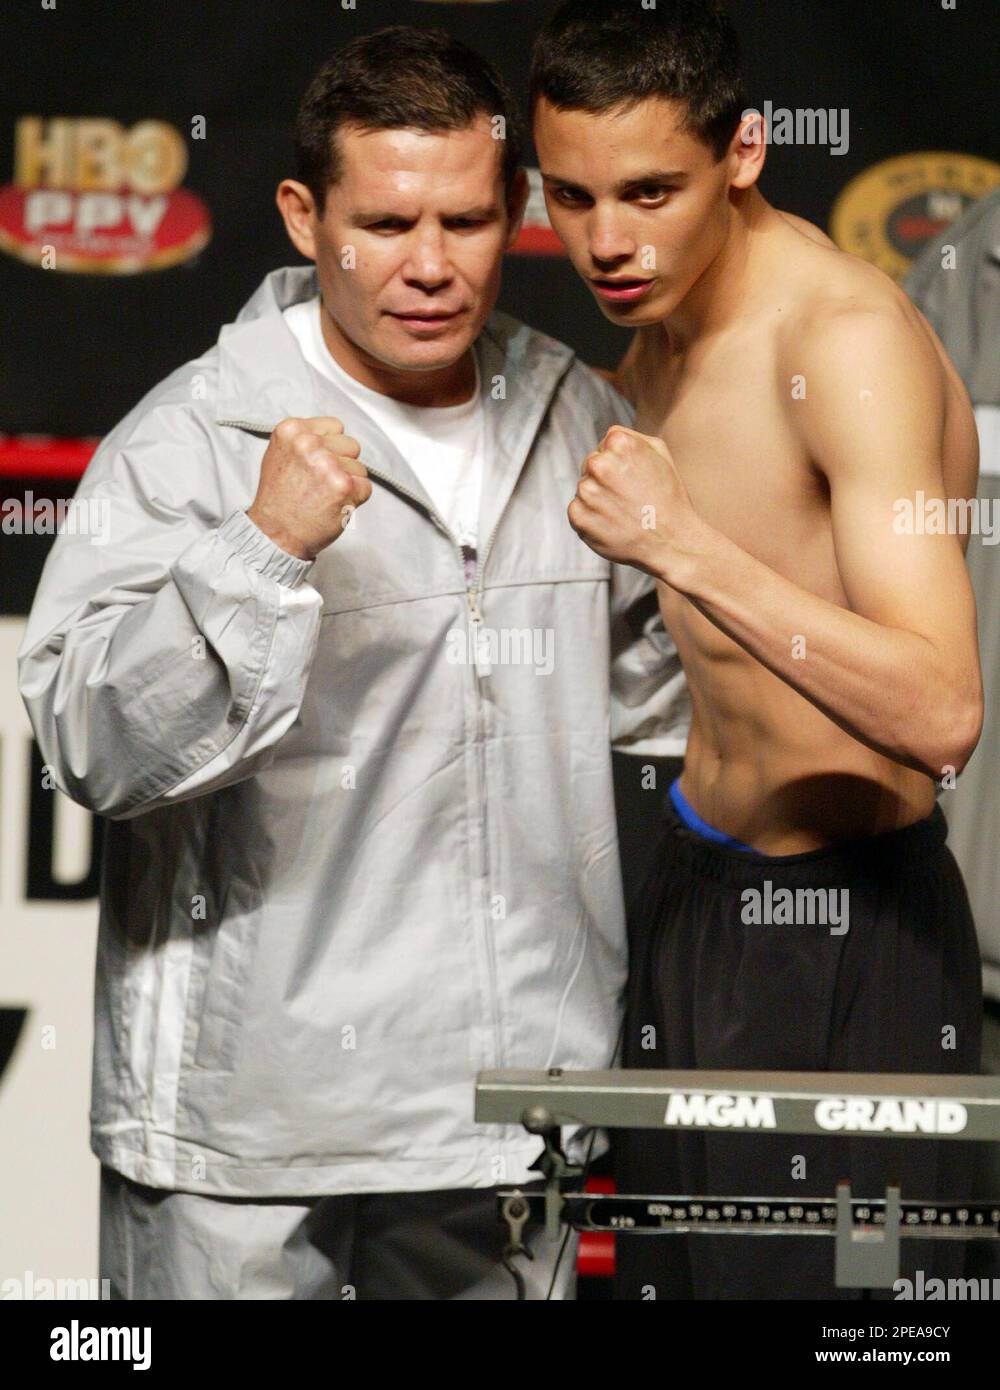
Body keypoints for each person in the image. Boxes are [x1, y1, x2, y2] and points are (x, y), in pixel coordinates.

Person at [17, 25, 689, 1300]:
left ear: (514, 213)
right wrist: (260, 547)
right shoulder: (193, 442)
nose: (429, 267)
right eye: (382, 224)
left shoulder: (579, 423)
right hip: (250, 1143)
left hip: (499, 1121)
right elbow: (87, 750)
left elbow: (674, 719)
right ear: (301, 216)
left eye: (466, 222)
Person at [530, 0, 985, 1300]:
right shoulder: (656, 338)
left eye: (652, 191)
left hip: (851, 925)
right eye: (572, 197)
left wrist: (681, 543)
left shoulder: (841, 346)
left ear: (744, 152)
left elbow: (944, 705)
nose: (608, 242)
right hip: (694, 902)